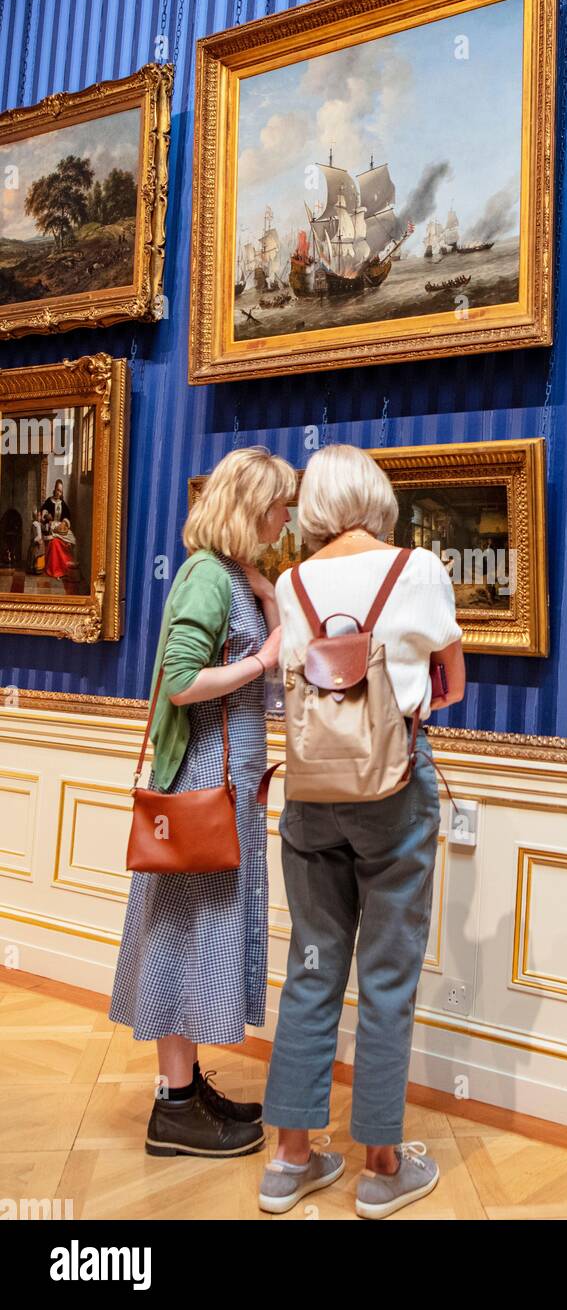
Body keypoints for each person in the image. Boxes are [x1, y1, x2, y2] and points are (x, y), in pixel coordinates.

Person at [258, 444, 466, 1219]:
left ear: (313, 505)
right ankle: (381, 1167)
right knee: (387, 976)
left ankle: (288, 1161)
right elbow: (452, 680)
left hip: (310, 792)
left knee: (312, 966)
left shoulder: (291, 581)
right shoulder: (418, 568)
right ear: (376, 496)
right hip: (392, 791)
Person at [109, 446, 297, 1158]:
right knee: (181, 941)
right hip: (198, 792)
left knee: (199, 941)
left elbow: (269, 677)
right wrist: (260, 657)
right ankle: (175, 1106)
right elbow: (181, 679)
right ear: (251, 506)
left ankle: (186, 1088)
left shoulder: (236, 578)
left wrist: (271, 595)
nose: (285, 518)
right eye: (278, 504)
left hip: (225, 792)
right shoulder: (204, 578)